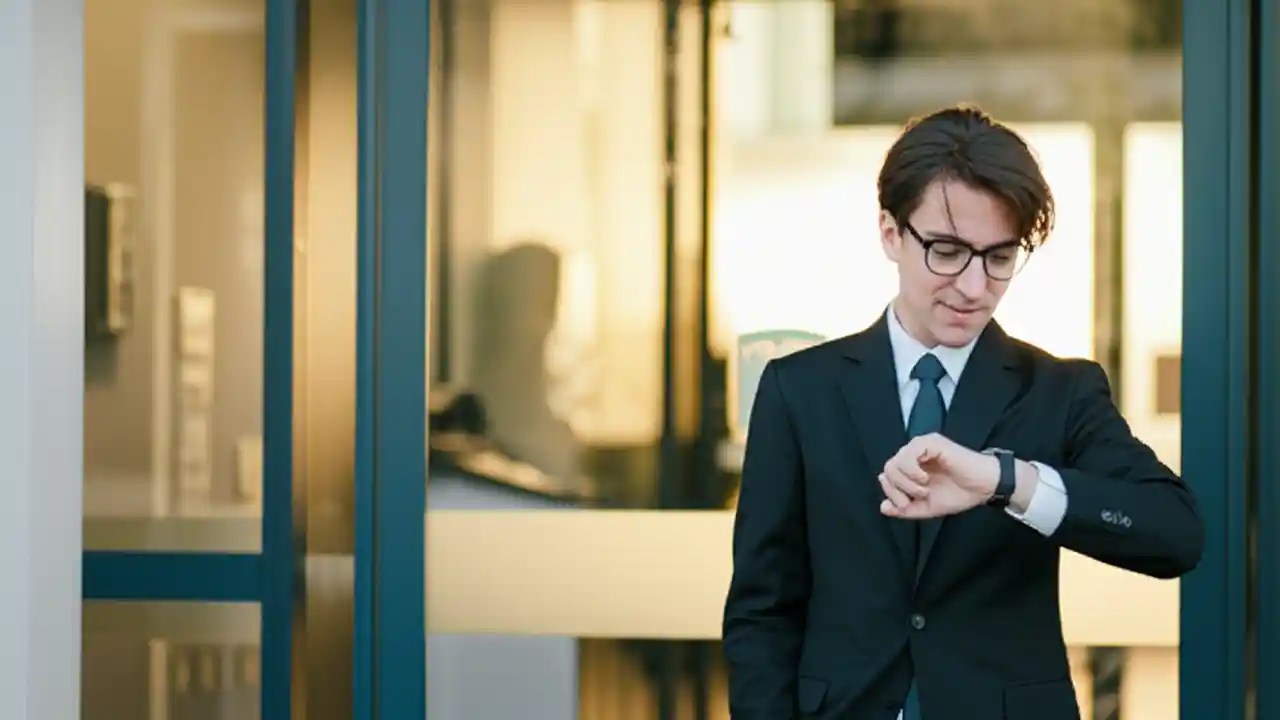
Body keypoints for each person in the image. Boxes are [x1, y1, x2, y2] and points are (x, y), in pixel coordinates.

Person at [721, 105, 1204, 720]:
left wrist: (1008, 480)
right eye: (947, 251)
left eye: (999, 257)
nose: (974, 287)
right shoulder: (799, 390)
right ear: (891, 233)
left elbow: (1176, 534)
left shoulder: (1059, 391)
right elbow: (762, 612)